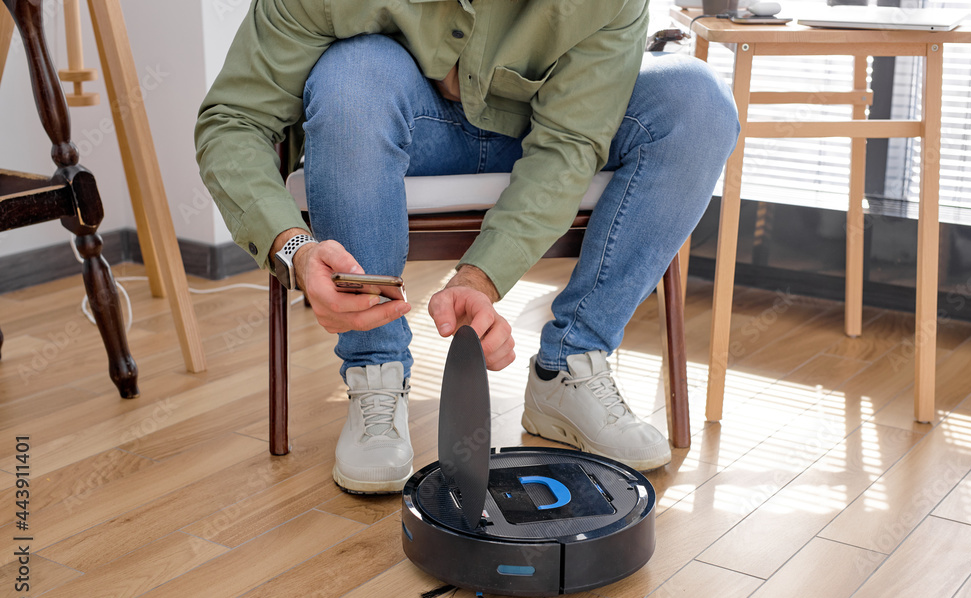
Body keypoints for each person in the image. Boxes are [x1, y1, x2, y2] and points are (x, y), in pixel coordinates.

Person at [195, 0, 739, 494]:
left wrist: (481, 275)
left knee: (698, 99)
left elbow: (569, 144)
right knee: (352, 71)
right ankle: (375, 371)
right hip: (410, 126)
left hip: (542, 128)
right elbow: (235, 118)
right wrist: (294, 248)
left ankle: (570, 365)